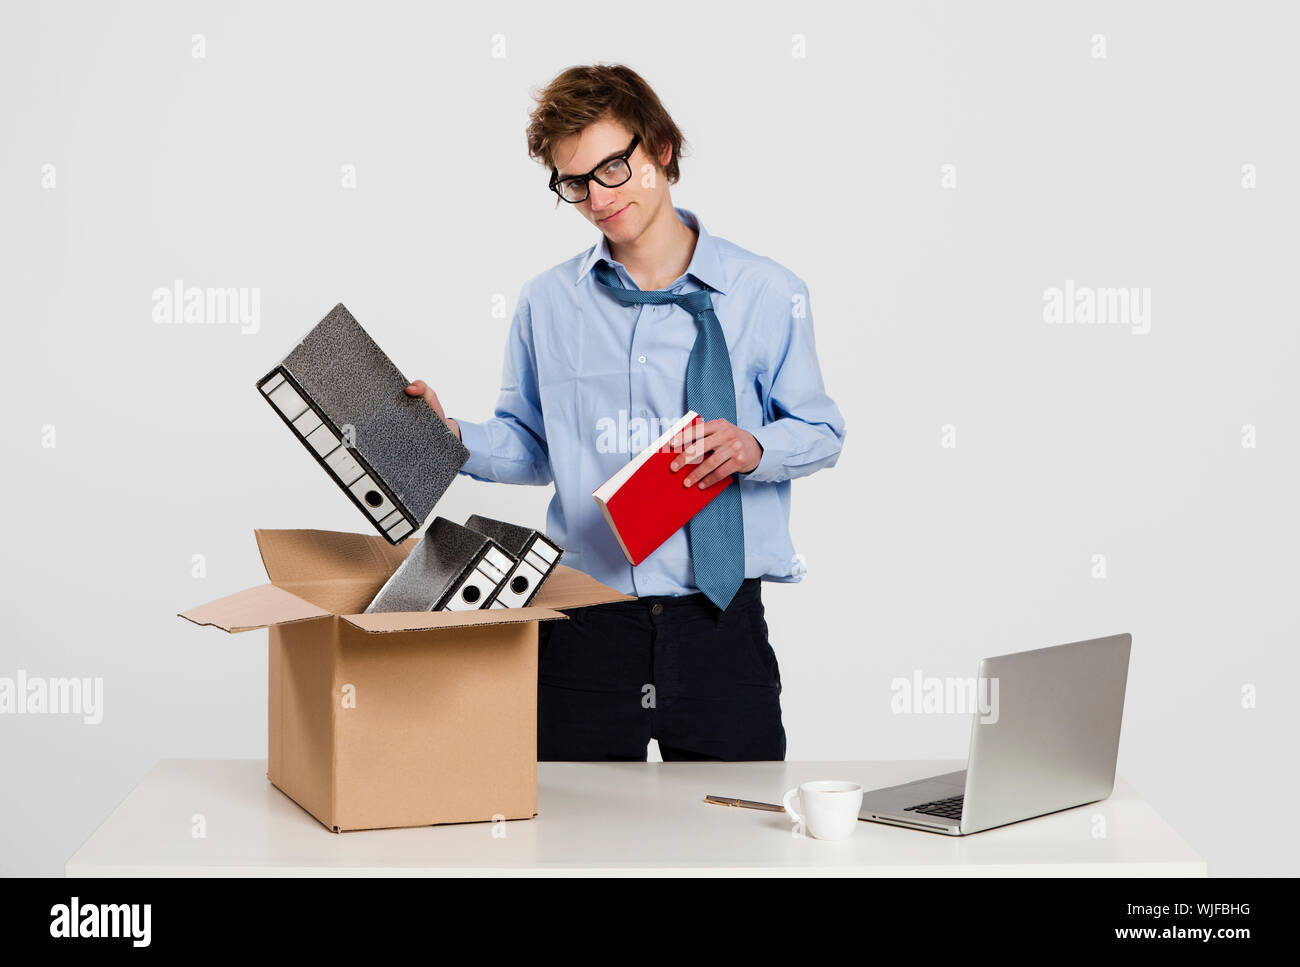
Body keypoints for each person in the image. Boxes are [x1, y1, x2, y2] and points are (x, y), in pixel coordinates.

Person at [407, 64, 845, 761]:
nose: (598, 197)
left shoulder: (767, 292)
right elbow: (530, 444)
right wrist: (448, 435)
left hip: (720, 628)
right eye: (575, 183)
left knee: (734, 844)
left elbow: (822, 431)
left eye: (614, 167)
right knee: (570, 844)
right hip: (584, 624)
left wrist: (753, 448)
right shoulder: (548, 303)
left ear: (662, 148)